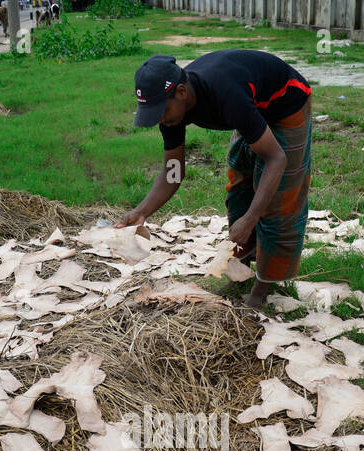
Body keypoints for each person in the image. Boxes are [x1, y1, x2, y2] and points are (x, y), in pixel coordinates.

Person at [118, 51, 312, 309]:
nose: (160, 120)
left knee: (279, 198)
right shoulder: (171, 112)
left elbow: (277, 159)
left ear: (182, 93)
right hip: (252, 107)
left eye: (161, 111)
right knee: (239, 186)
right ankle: (240, 270)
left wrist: (251, 218)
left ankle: (263, 287)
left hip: (287, 102)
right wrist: (141, 212)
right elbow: (173, 172)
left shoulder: (226, 95)